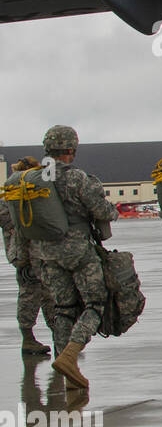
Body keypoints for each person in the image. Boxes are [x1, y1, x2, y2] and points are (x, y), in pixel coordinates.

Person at [25, 127, 118, 387]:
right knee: (95, 304)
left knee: (63, 309)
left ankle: (69, 371)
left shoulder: (33, 177)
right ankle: (70, 355)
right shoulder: (77, 178)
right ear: (70, 150)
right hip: (77, 251)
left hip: (46, 253)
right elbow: (101, 210)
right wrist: (113, 211)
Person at [1, 155, 54, 355]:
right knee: (39, 296)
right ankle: (31, 340)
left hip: (24, 255)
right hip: (32, 256)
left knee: (39, 295)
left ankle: (37, 339)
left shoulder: (10, 198)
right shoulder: (23, 198)